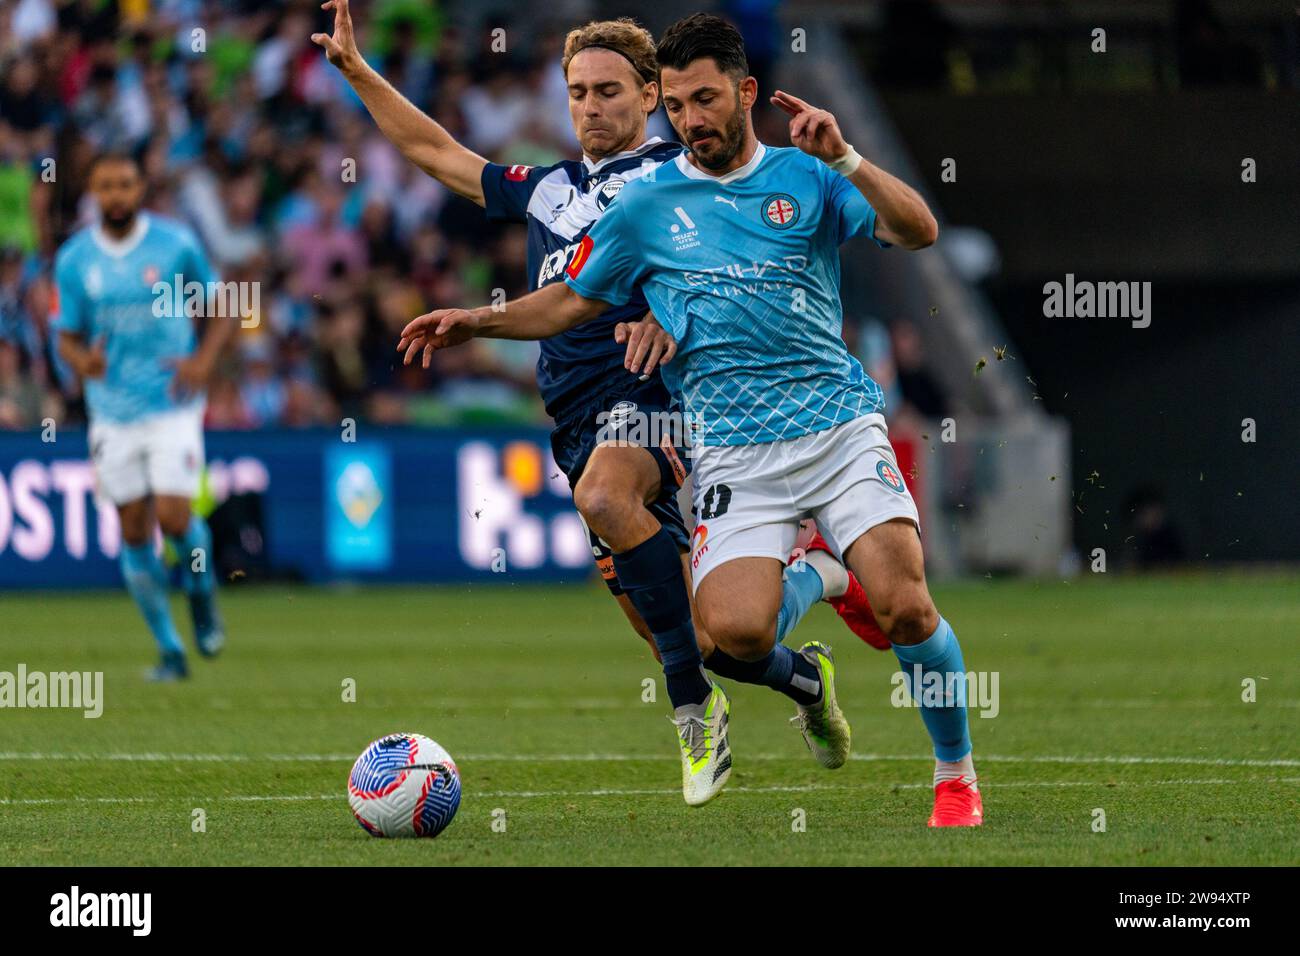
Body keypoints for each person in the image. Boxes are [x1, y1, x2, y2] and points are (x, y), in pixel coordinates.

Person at [397, 14, 983, 826]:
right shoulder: (644, 206)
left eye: (704, 100)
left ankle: (955, 775)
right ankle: (818, 576)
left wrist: (845, 156)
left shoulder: (804, 175)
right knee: (732, 637)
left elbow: (918, 230)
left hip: (837, 428)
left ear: (745, 93)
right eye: (677, 106)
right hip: (734, 451)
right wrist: (475, 320)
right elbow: (571, 299)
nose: (692, 120)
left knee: (908, 608)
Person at [53, 152, 232, 681]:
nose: (116, 195)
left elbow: (221, 307)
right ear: (93, 192)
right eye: (105, 186)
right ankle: (170, 649)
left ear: (140, 189)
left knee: (176, 517)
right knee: (133, 531)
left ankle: (201, 593)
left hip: (170, 402)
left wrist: (202, 361)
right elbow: (65, 335)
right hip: (110, 412)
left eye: (125, 185)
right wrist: (82, 359)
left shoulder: (175, 244)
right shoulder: (73, 260)